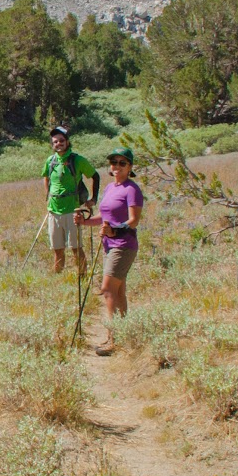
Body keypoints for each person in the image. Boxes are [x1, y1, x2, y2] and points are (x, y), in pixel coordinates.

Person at [81, 145, 143, 356]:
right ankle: (123, 334)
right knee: (118, 291)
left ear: (130, 167)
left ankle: (113, 338)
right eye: (113, 162)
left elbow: (133, 221)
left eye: (122, 163)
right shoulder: (110, 188)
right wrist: (85, 221)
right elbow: (103, 218)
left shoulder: (131, 189)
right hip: (110, 245)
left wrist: (113, 230)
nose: (116, 166)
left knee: (107, 289)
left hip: (123, 245)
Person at [42, 125, 99, 277]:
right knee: (57, 249)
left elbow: (95, 176)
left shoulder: (77, 160)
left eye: (61, 141)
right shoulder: (50, 161)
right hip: (54, 210)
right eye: (55, 142)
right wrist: (48, 196)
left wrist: (93, 199)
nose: (58, 144)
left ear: (67, 142)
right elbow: (46, 177)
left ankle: (83, 278)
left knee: (76, 248)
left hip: (73, 210)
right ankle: (57, 279)